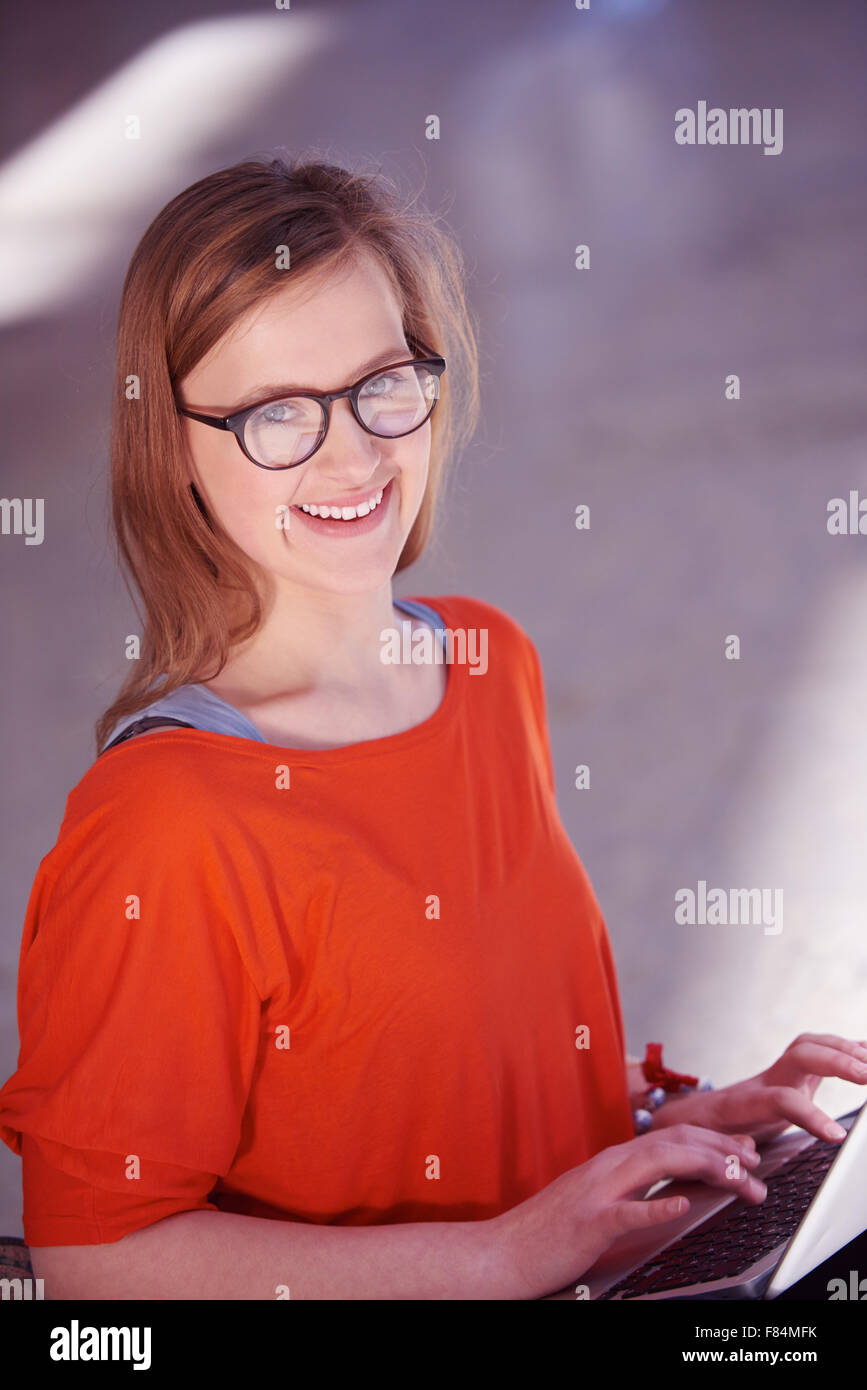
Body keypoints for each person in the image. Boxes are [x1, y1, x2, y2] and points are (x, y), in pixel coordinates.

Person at [0, 155, 864, 1301]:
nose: (353, 455)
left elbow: (467, 1063)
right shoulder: (164, 825)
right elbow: (95, 1259)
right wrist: (501, 1257)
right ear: (173, 448)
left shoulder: (486, 659)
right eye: (273, 415)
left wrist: (666, 1133)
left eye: (380, 383)